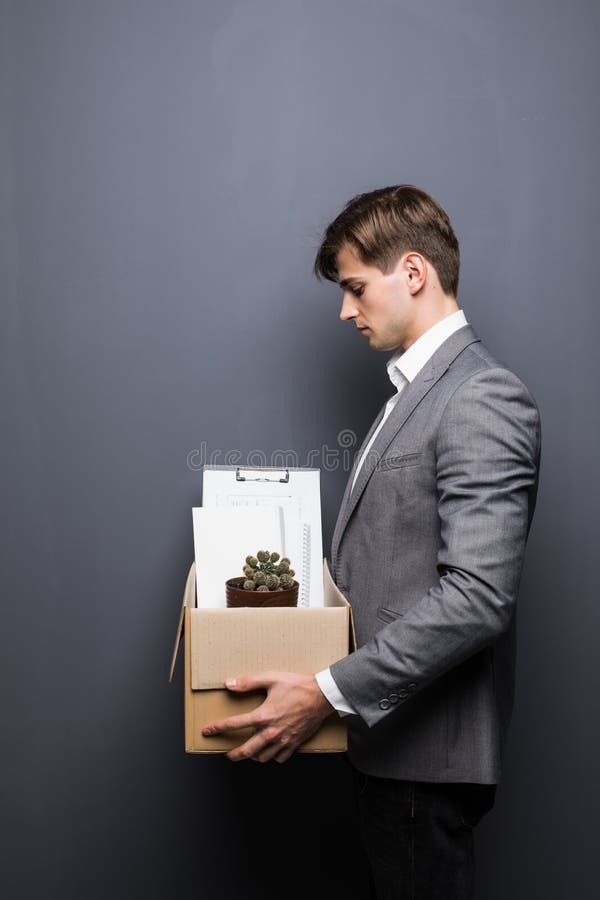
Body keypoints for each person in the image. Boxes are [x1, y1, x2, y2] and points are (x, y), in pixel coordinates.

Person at [202, 184, 542, 899]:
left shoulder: (480, 396)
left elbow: (479, 598)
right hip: (390, 753)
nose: (345, 310)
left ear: (413, 272)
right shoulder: (408, 395)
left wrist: (325, 692)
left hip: (426, 764)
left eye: (356, 287)